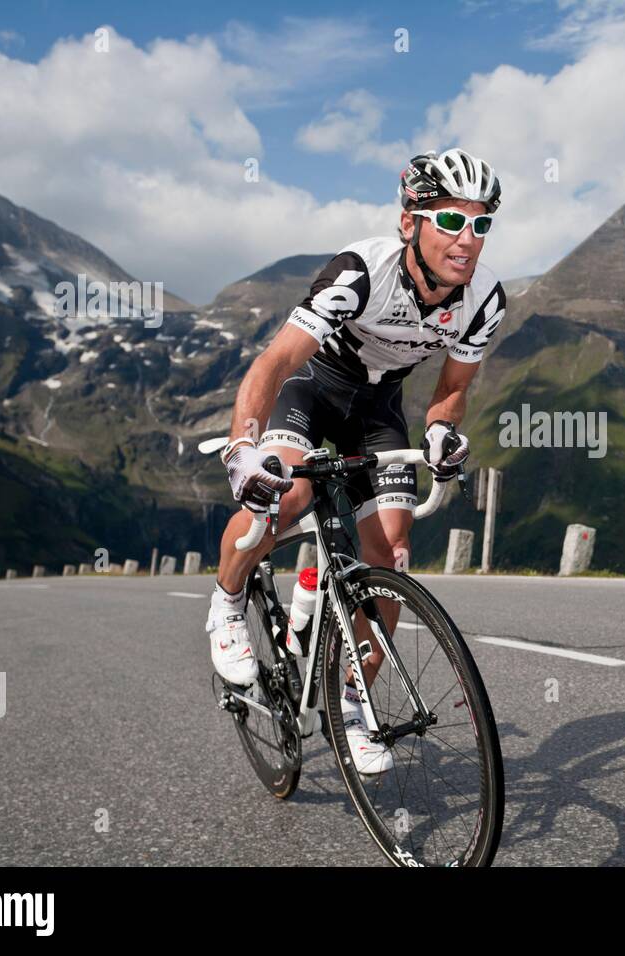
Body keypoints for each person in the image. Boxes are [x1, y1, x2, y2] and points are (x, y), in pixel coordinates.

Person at [205, 148, 505, 773]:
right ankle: (227, 603)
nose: (467, 238)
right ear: (410, 222)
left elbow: (451, 390)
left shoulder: (482, 302)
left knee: (390, 552)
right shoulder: (359, 273)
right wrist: (244, 449)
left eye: (480, 223)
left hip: (377, 411)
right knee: (285, 499)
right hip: (312, 392)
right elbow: (275, 364)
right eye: (450, 220)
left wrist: (444, 431)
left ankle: (352, 700)